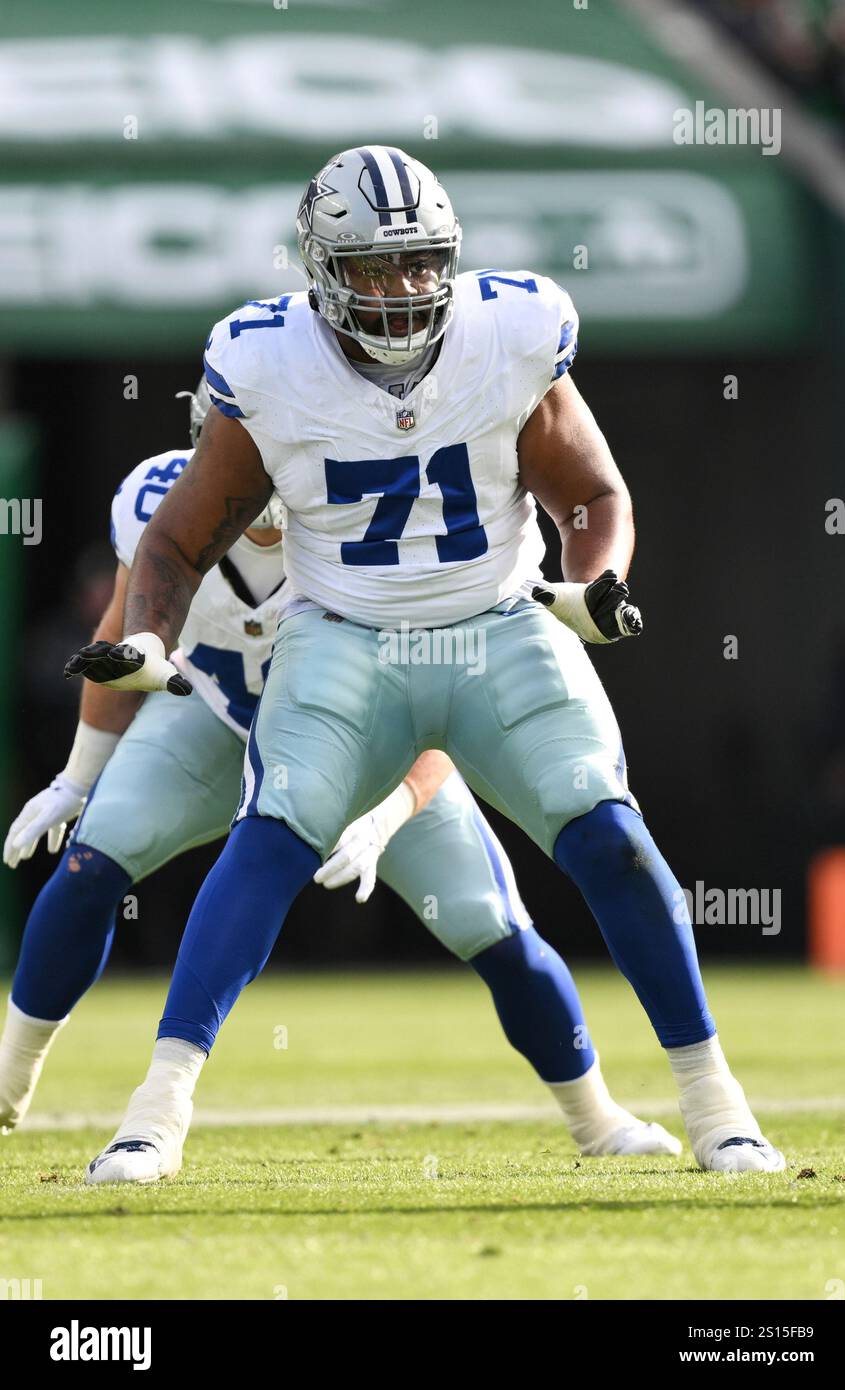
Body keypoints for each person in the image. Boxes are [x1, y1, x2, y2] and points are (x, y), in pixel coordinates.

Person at [67, 146, 783, 1182]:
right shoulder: (268, 361)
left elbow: (593, 495)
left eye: (421, 263)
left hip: (497, 626)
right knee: (267, 844)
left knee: (612, 839)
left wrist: (599, 581)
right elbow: (176, 543)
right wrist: (152, 641)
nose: (403, 290)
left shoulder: (511, 332)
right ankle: (155, 1112)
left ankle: (719, 1107)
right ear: (321, 270)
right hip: (345, 640)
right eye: (374, 268)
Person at [1, 383, 678, 1162]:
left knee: (492, 928)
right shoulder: (156, 506)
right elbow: (122, 634)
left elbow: (439, 688)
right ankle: (12, 1084)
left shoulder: (376, 519)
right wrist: (77, 779)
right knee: (92, 860)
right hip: (217, 721)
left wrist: (391, 810)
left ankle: (596, 1117)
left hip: (377, 744)